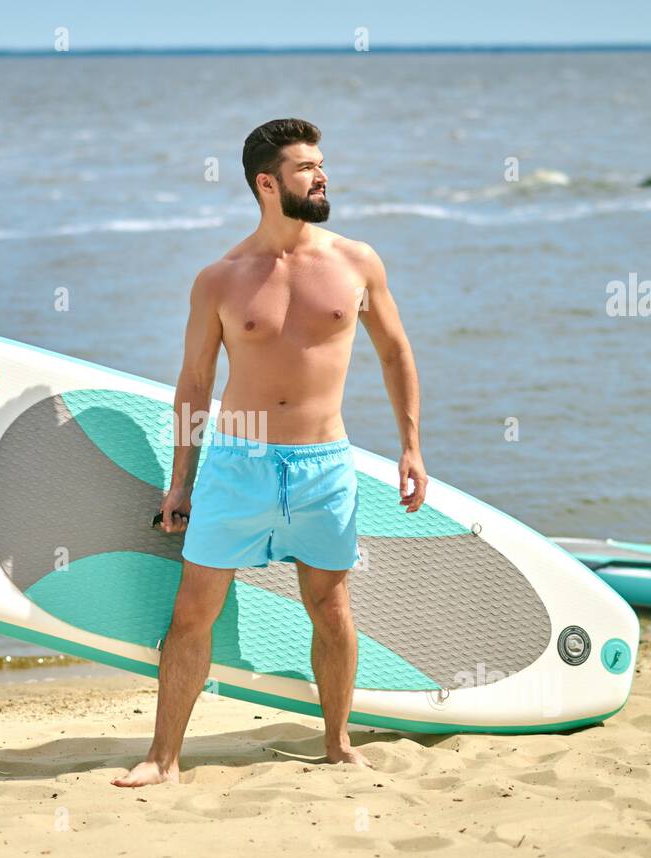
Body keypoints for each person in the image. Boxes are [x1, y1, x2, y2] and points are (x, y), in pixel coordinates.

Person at [113, 118, 426, 788]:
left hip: (324, 464)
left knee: (331, 608)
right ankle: (163, 758)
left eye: (323, 164)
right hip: (238, 463)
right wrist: (180, 482)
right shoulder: (221, 279)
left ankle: (337, 743)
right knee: (193, 611)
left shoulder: (356, 262)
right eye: (307, 167)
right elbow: (194, 383)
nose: (322, 176)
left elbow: (396, 351)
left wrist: (410, 447)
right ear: (266, 182)